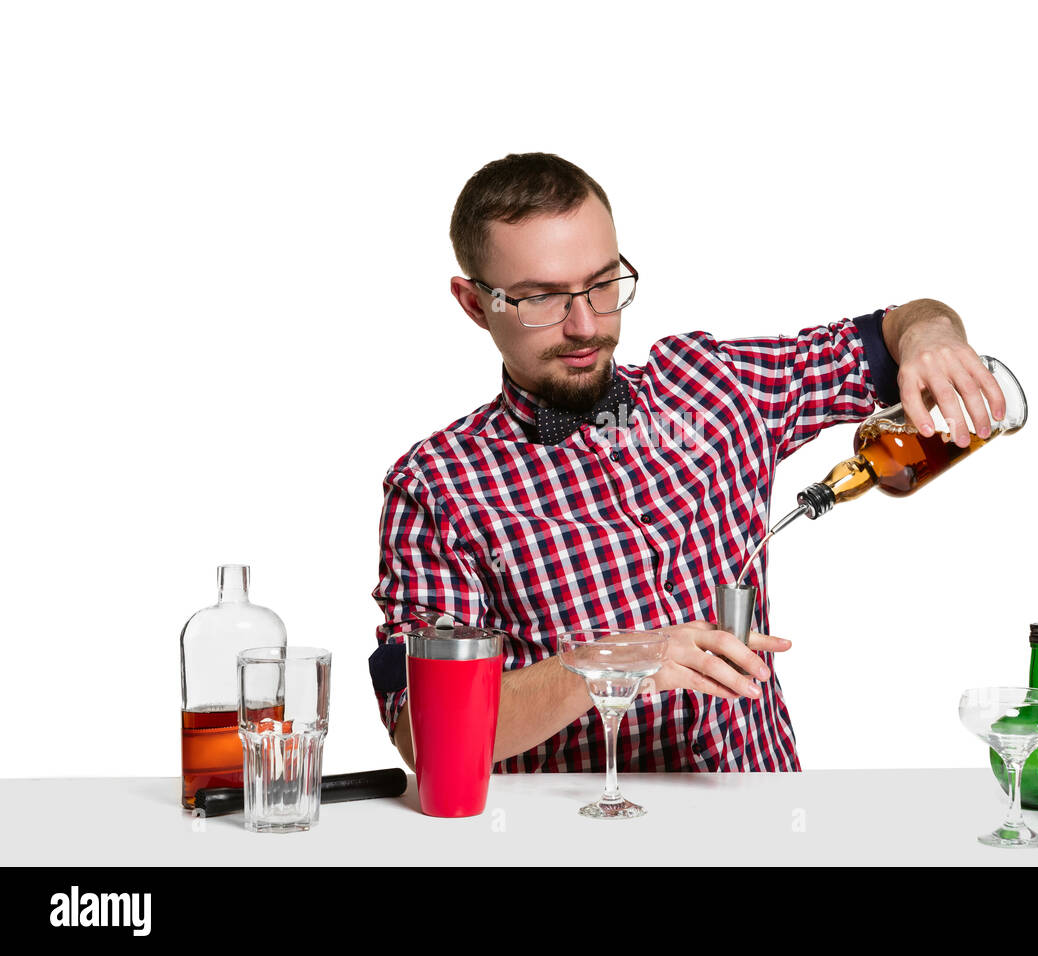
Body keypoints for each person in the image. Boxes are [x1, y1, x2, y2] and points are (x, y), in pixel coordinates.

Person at [369, 152, 1004, 772]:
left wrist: (931, 335)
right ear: (475, 304)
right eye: (541, 298)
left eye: (603, 285)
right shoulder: (436, 486)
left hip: (765, 814)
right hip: (580, 828)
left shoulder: (714, 386)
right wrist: (613, 660)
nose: (585, 325)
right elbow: (423, 735)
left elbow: (893, 330)